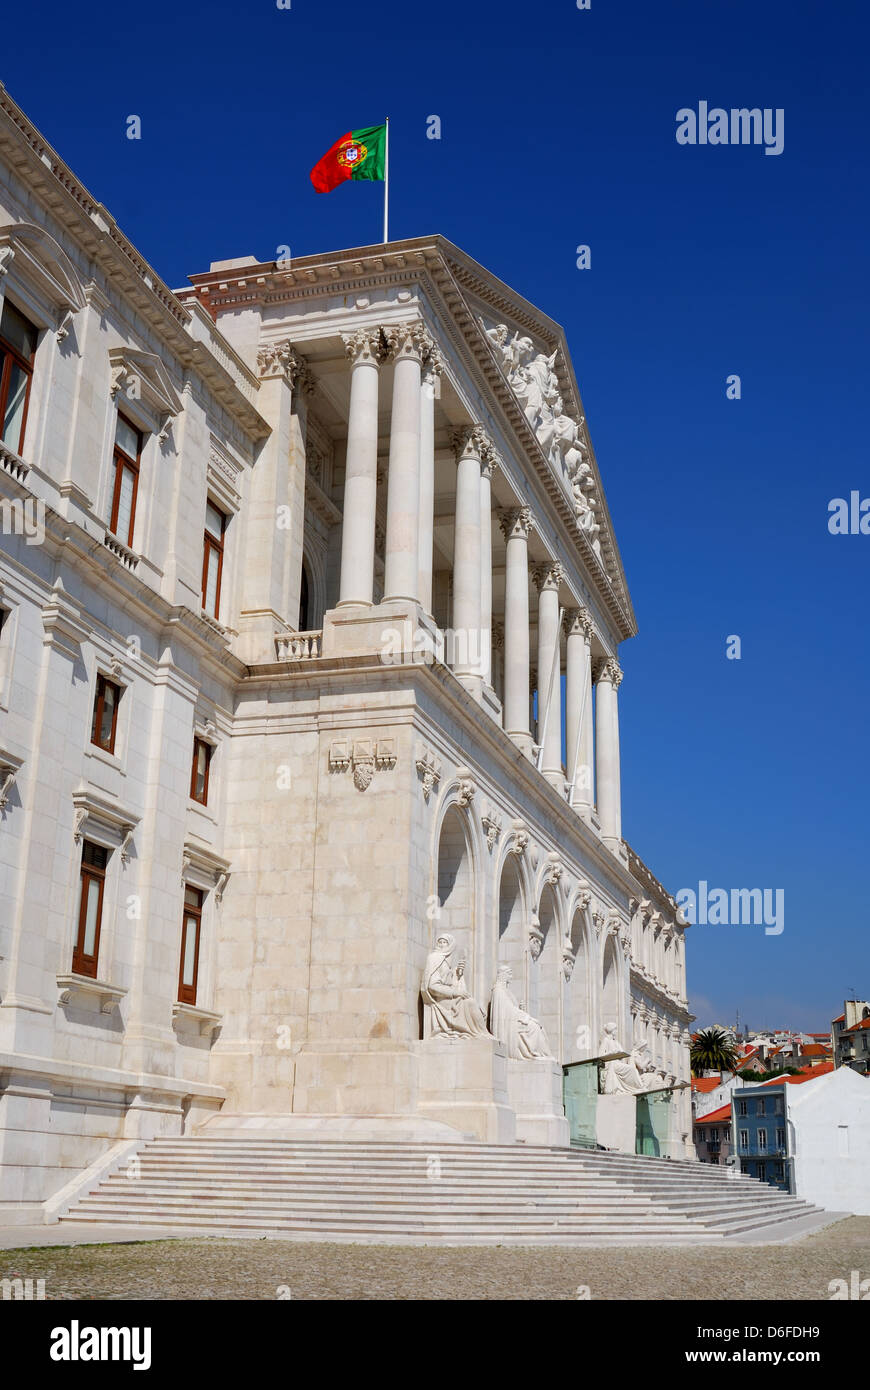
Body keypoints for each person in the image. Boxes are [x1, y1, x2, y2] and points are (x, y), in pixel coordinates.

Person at [421, 934, 490, 1038]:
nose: (441, 945)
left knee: (473, 1003)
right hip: (440, 999)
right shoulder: (433, 958)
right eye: (439, 942)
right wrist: (455, 992)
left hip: (449, 996)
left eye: (444, 942)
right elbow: (432, 986)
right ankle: (479, 1033)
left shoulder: (446, 961)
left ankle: (482, 1033)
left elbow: (450, 983)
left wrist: (458, 974)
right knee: (470, 1003)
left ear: (450, 945)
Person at [489, 965, 553, 1060]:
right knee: (533, 1027)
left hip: (513, 1020)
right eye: (509, 974)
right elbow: (508, 1010)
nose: (511, 976)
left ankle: (545, 1055)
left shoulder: (506, 991)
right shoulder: (498, 990)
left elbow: (511, 1009)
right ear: (503, 975)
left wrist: (521, 1010)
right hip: (508, 1025)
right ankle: (533, 1053)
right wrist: (526, 1017)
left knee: (539, 1027)